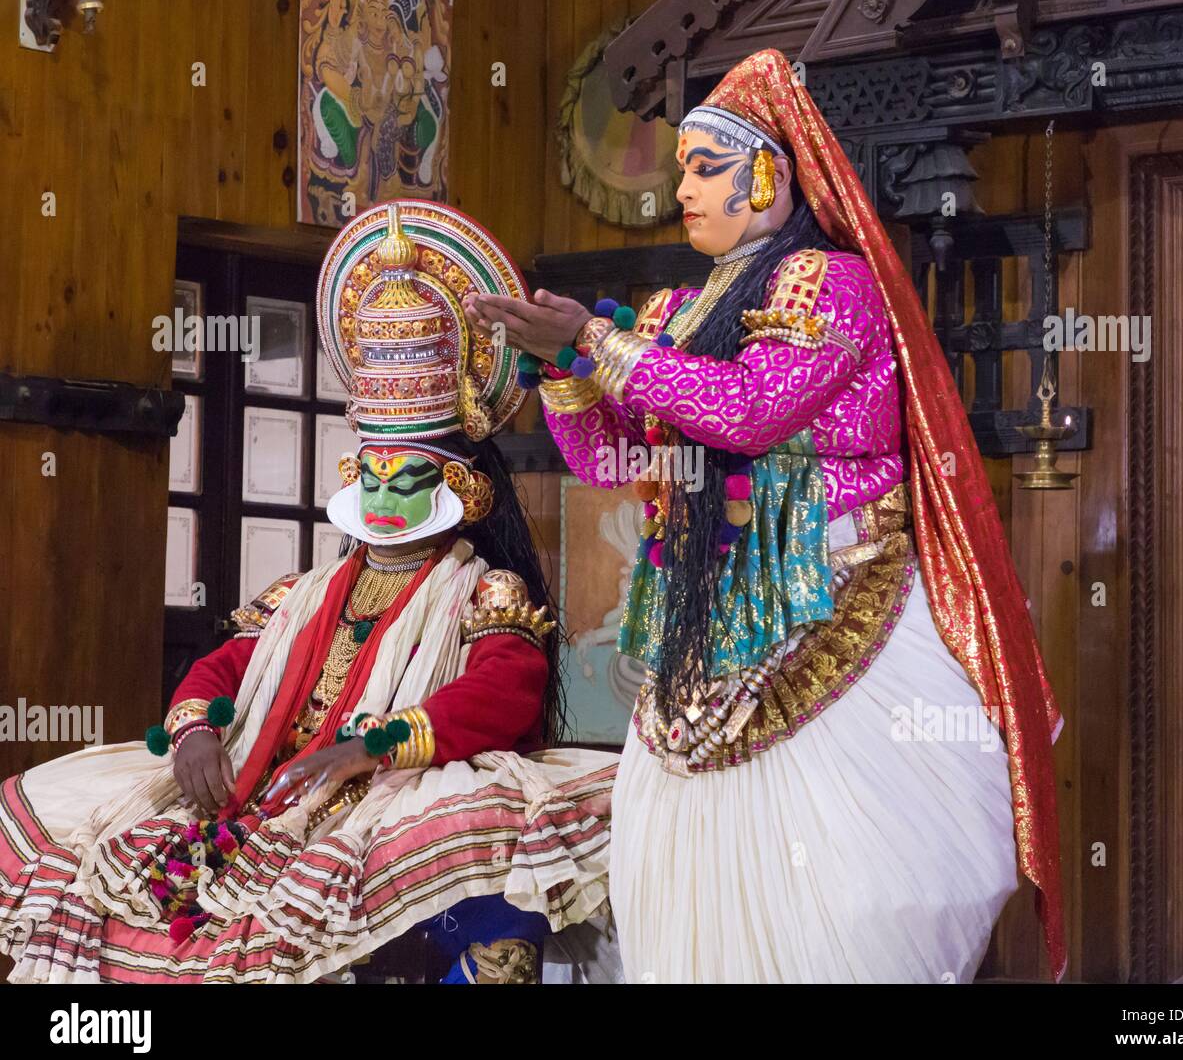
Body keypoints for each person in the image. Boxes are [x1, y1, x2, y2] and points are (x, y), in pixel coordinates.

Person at [465, 48, 1066, 983]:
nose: (685, 193)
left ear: (769, 175)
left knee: (864, 889)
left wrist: (593, 340)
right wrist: (561, 367)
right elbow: (608, 458)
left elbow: (751, 408)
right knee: (683, 867)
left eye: (705, 169)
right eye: (681, 175)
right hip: (703, 620)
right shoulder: (671, 309)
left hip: (826, 597)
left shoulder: (831, 284)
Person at [0, 202, 616, 984]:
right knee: (62, 821)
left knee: (483, 885)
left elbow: (507, 692)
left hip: (390, 787)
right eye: (375, 474)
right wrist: (193, 732)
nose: (388, 495)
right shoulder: (305, 593)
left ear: (457, 483)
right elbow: (224, 669)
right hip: (266, 788)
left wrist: (372, 748)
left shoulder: (484, 589)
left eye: (411, 476)